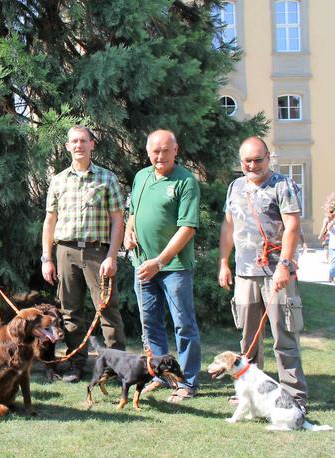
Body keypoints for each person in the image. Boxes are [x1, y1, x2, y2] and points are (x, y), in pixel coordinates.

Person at [218, 136, 308, 408]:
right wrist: (224, 262)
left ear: (268, 158)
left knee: (284, 336)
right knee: (248, 339)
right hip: (245, 273)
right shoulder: (235, 187)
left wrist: (284, 265)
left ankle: (294, 396)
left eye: (258, 160)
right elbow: (228, 226)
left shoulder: (283, 185)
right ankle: (250, 394)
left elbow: (292, 226)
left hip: (276, 272)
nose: (252, 165)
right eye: (247, 160)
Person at [41, 126, 127, 383]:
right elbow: (50, 221)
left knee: (107, 308)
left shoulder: (107, 178)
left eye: (83, 141)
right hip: (65, 251)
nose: (78, 145)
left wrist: (112, 256)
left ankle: (116, 365)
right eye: (74, 141)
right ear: (68, 146)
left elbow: (118, 220)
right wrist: (47, 258)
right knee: (70, 312)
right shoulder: (58, 180)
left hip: (97, 252)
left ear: (92, 144)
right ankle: (76, 364)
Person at [123, 129, 202, 403]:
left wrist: (159, 261)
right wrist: (128, 231)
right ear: (147, 152)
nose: (160, 156)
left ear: (175, 150)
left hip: (174, 268)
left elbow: (187, 228)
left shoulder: (186, 181)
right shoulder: (141, 177)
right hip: (143, 267)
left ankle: (188, 382)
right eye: (155, 151)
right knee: (151, 325)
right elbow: (133, 212)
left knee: (184, 325)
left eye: (166, 150)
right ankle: (160, 375)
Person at [318, 193, 335, 283]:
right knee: (333, 262)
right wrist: (321, 235)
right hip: (333, 245)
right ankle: (331, 276)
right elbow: (327, 228)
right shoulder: (330, 221)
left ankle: (331, 276)